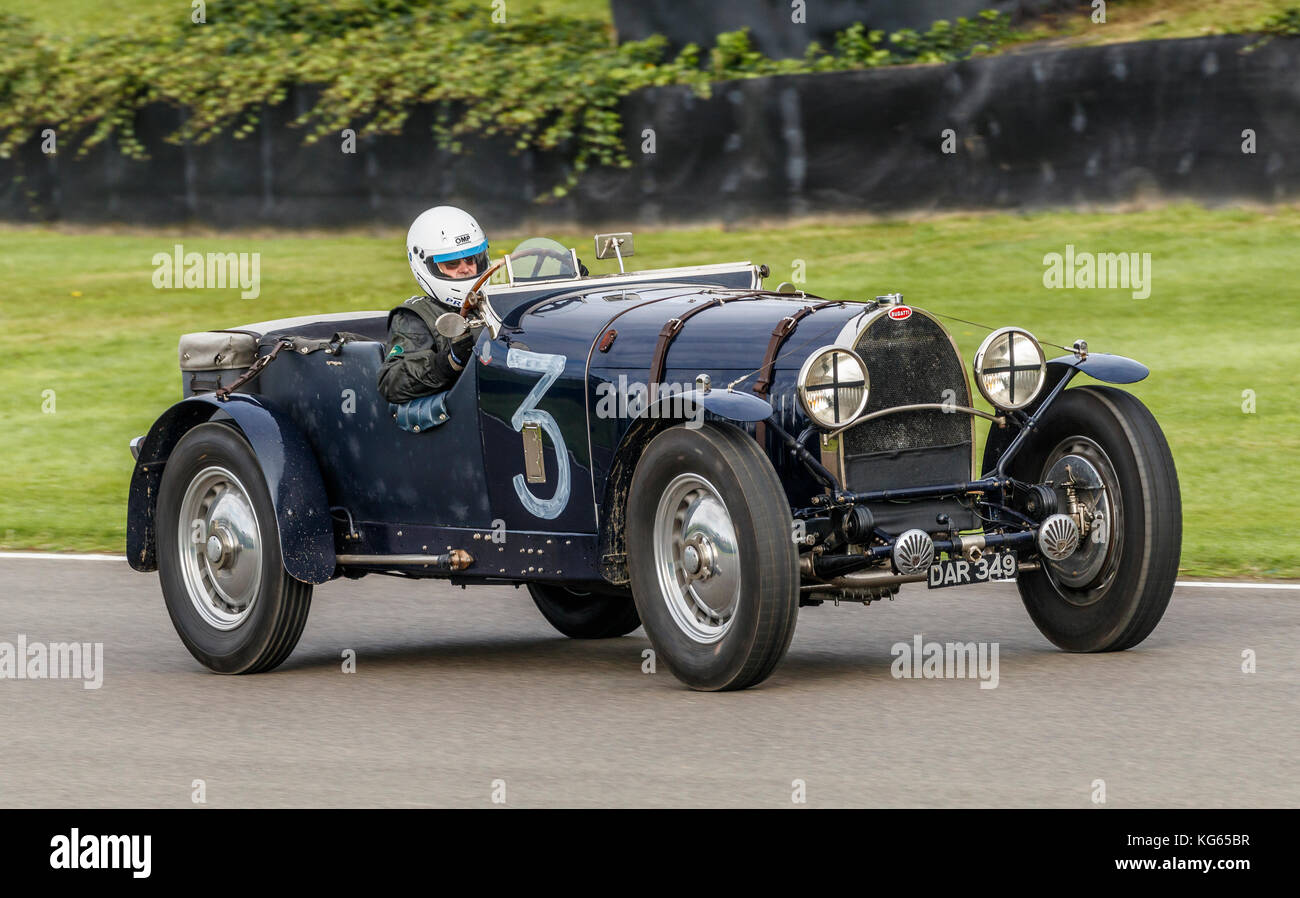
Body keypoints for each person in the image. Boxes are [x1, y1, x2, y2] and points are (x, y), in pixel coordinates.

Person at [377, 206, 491, 404]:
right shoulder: (415, 318)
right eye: (452, 264)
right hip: (463, 416)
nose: (465, 269)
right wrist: (449, 361)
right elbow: (392, 382)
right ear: (425, 265)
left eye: (471, 259)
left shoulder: (496, 300)